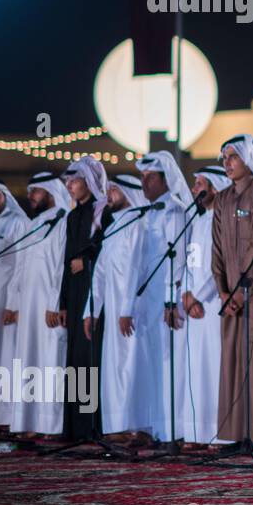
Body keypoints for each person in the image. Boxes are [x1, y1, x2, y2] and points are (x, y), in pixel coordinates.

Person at [211, 134, 253, 444]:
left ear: (248, 159)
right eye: (224, 158)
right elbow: (217, 250)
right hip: (230, 298)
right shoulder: (222, 199)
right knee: (230, 363)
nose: (227, 163)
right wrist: (222, 290)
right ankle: (233, 436)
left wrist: (242, 287)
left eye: (233, 157)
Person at [2, 172, 71, 436]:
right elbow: (21, 266)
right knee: (29, 360)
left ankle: (49, 423)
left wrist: (55, 302)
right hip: (29, 305)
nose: (30, 197)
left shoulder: (63, 221)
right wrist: (15, 303)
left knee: (50, 360)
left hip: (48, 305)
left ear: (51, 192)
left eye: (36, 191)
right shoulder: (36, 223)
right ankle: (28, 422)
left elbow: (60, 267)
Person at [133, 151, 194, 443]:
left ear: (165, 179)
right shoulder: (147, 212)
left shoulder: (176, 211)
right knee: (151, 365)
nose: (145, 184)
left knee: (171, 366)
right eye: (142, 178)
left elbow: (178, 259)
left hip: (169, 302)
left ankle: (173, 430)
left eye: (150, 178)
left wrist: (171, 301)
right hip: (148, 300)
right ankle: (154, 426)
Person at [91, 174, 150, 438]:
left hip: (134, 310)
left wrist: (127, 309)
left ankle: (137, 426)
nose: (109, 195)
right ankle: (118, 425)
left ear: (128, 192)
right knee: (115, 367)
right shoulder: (114, 226)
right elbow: (100, 272)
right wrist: (90, 311)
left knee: (132, 366)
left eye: (114, 190)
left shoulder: (140, 223)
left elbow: (138, 270)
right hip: (114, 309)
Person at [176, 166, 230, 446]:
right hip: (193, 305)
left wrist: (198, 296)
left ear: (215, 187)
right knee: (195, 369)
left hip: (210, 306)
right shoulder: (196, 221)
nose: (195, 189)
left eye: (200, 184)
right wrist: (185, 293)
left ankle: (217, 434)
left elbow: (218, 267)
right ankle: (196, 432)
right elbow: (188, 262)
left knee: (212, 368)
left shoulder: (222, 221)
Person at [60, 158, 108, 440]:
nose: (70, 186)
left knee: (90, 356)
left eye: (75, 180)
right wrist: (63, 303)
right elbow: (67, 261)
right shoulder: (72, 216)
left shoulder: (101, 212)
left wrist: (86, 263)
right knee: (76, 357)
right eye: (68, 181)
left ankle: (93, 424)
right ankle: (77, 426)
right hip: (75, 292)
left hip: (93, 291)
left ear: (89, 181)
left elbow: (104, 251)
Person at [0, 180, 30, 435]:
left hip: (4, 300)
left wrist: (13, 304)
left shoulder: (17, 222)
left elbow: (22, 265)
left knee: (5, 358)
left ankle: (5, 418)